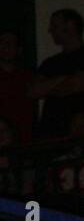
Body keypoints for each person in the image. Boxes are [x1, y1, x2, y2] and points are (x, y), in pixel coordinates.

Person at [29, 9, 84, 140]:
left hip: (76, 135)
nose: (50, 30)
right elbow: (32, 91)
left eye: (54, 26)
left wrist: (47, 87)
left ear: (70, 25)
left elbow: (77, 84)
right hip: (50, 134)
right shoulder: (50, 63)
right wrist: (65, 78)